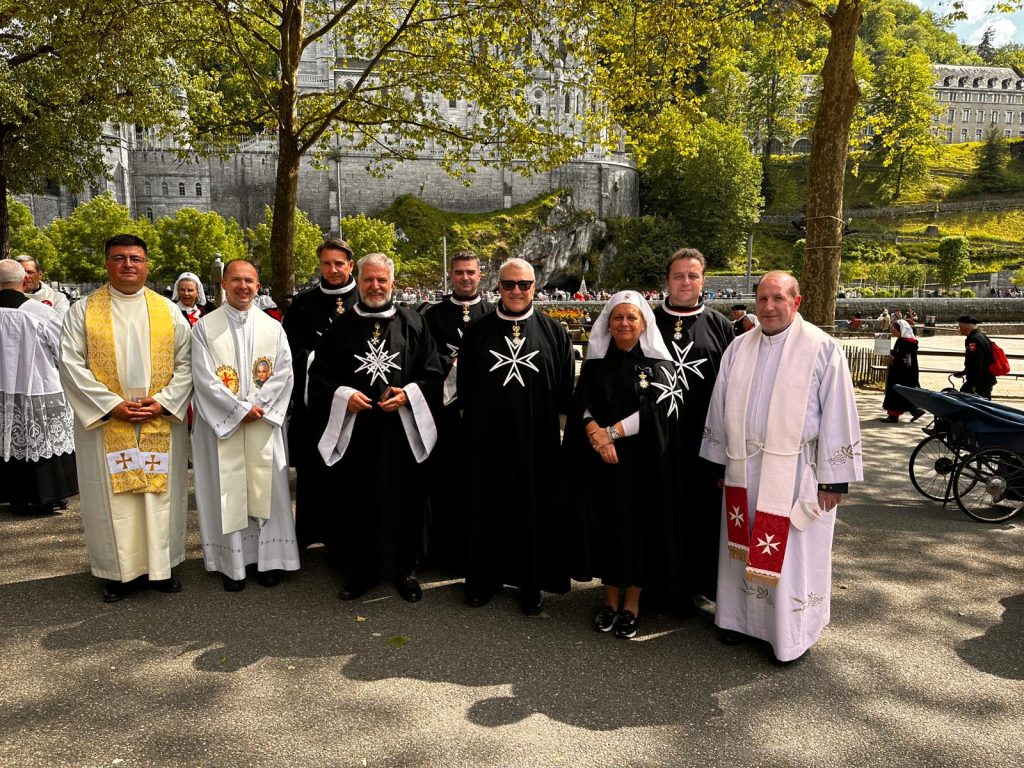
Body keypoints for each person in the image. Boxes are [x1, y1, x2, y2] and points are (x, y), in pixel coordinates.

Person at [700, 271, 862, 663]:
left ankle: (789, 635)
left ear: (797, 302)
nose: (768, 307)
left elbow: (839, 414)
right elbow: (719, 409)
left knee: (791, 556)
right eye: (762, 299)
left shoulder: (822, 349)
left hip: (794, 473)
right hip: (743, 469)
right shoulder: (738, 348)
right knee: (740, 549)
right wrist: (719, 463)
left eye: (778, 299)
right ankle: (740, 621)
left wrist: (833, 480)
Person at [59, 234, 193, 603]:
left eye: (135, 258)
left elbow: (187, 363)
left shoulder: (168, 310)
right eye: (119, 258)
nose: (128, 264)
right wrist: (110, 405)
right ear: (107, 264)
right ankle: (119, 573)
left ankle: (161, 568)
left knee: (157, 495)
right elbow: (70, 365)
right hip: (107, 423)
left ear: (147, 264)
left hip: (159, 420)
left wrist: (164, 402)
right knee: (113, 500)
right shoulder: (83, 311)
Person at [308, 253, 443, 602]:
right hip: (357, 434)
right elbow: (319, 376)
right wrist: (344, 395)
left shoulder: (414, 323)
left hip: (401, 433)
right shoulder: (341, 327)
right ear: (360, 280)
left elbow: (432, 373)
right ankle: (360, 572)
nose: (375, 286)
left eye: (382, 280)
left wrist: (409, 394)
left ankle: (406, 569)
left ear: (392, 283)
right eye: (369, 279)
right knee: (358, 500)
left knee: (406, 500)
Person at [457, 258, 574, 615]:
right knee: (487, 510)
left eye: (524, 284)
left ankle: (531, 583)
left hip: (537, 444)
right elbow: (465, 393)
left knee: (533, 511)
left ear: (535, 287)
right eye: (509, 285)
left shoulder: (555, 333)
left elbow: (565, 393)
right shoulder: (477, 332)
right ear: (498, 287)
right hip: (488, 443)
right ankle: (484, 581)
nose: (517, 291)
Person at [565, 291, 678, 639]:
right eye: (618, 318)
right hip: (602, 464)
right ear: (608, 323)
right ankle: (609, 599)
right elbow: (581, 404)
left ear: (644, 324)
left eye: (632, 318)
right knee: (608, 529)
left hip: (641, 465)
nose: (624, 323)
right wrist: (594, 432)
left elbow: (657, 412)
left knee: (638, 529)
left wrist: (610, 433)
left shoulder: (659, 366)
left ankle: (632, 604)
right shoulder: (596, 364)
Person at [191, 260, 299, 591]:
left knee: (269, 493)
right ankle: (232, 565)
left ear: (258, 285)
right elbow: (204, 379)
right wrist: (239, 410)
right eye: (236, 280)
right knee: (227, 490)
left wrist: (260, 407)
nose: (243, 286)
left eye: (249, 280)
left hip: (263, 425)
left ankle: (270, 562)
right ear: (223, 284)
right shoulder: (204, 328)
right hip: (223, 427)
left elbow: (285, 372)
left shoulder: (273, 327)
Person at [651, 248, 735, 605]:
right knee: (657, 511)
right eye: (678, 276)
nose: (686, 282)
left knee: (701, 515)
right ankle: (655, 585)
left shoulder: (721, 326)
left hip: (705, 441)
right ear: (667, 281)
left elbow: (734, 388)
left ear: (704, 281)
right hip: (655, 439)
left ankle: (696, 587)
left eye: (693, 276)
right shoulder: (647, 320)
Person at [420, 250, 495, 571]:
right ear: (450, 275)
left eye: (471, 272)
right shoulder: (431, 316)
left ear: (481, 275)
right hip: (444, 415)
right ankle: (443, 554)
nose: (465, 277)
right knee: (445, 485)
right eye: (459, 272)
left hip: (485, 415)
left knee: (482, 485)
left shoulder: (495, 313)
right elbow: (424, 359)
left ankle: (481, 552)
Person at [283, 238, 359, 548]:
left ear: (350, 265)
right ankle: (311, 532)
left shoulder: (364, 298)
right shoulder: (303, 304)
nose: (333, 269)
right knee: (315, 469)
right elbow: (289, 351)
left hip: (355, 402)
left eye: (339, 263)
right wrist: (320, 361)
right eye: (326, 263)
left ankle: (347, 538)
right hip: (315, 401)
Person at [0, 259, 78, 516]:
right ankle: (46, 497)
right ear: (24, 281)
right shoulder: (40, 312)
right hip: (39, 389)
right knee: (40, 442)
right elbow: (64, 352)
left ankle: (13, 497)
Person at [880, 319, 925, 423]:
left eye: (894, 329)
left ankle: (895, 415)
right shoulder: (910, 342)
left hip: (899, 372)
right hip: (909, 372)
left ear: (901, 329)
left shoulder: (902, 342)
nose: (892, 331)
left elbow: (900, 357)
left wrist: (892, 359)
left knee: (896, 391)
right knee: (904, 392)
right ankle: (913, 410)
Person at [954, 314, 996, 400]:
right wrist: (964, 372)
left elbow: (977, 362)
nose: (959, 329)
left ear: (965, 325)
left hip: (980, 381)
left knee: (975, 404)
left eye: (960, 326)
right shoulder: (981, 336)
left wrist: (973, 384)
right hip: (985, 379)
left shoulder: (973, 340)